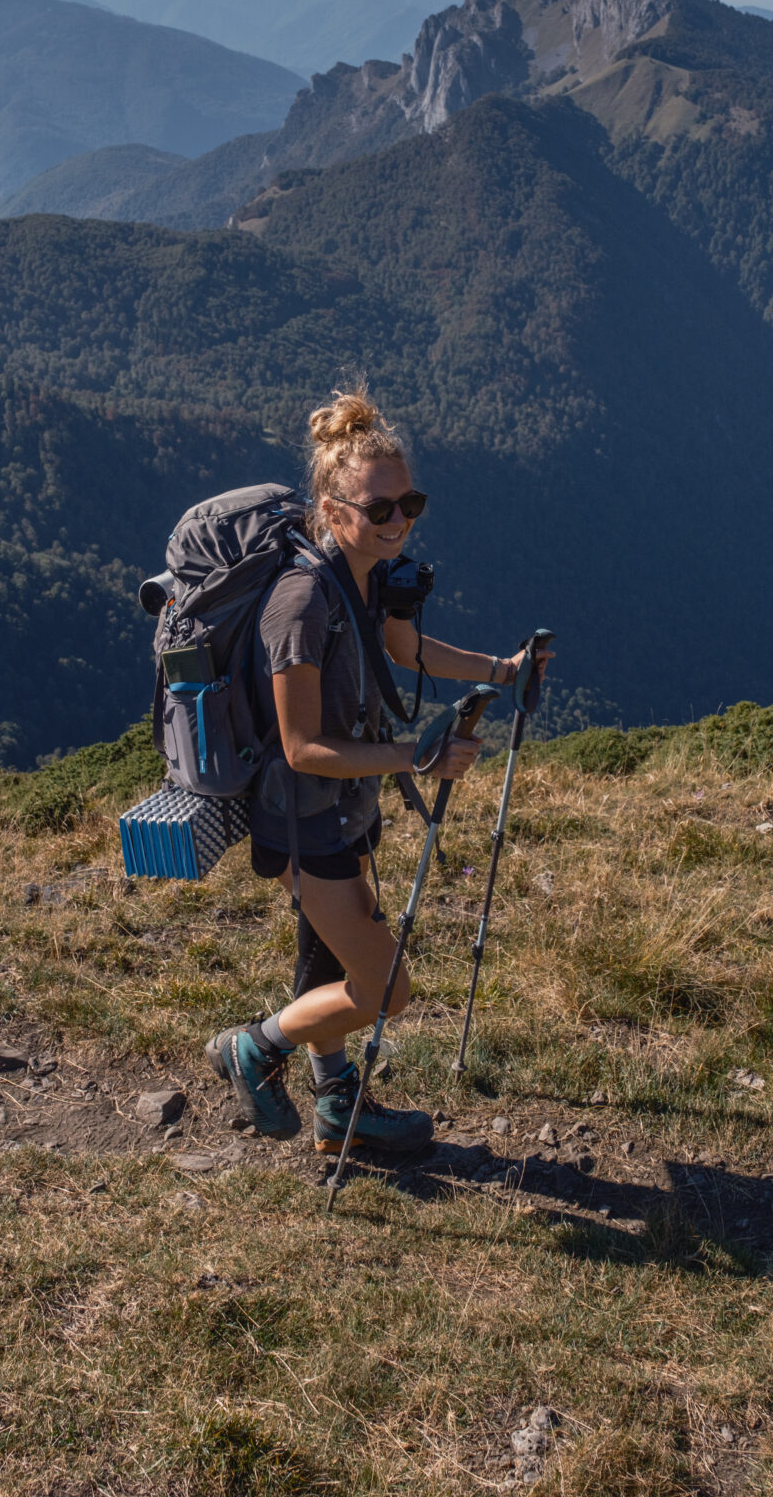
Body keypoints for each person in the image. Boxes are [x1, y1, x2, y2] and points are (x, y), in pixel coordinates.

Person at [206, 384, 551, 1157]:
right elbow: (300, 746)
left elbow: (405, 651)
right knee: (386, 988)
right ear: (332, 512)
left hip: (345, 807)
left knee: (331, 955)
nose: (400, 522)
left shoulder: (363, 578)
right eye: (380, 509)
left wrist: (503, 670)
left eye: (409, 503)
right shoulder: (300, 605)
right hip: (305, 816)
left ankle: (336, 1111)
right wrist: (416, 756)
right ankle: (252, 1049)